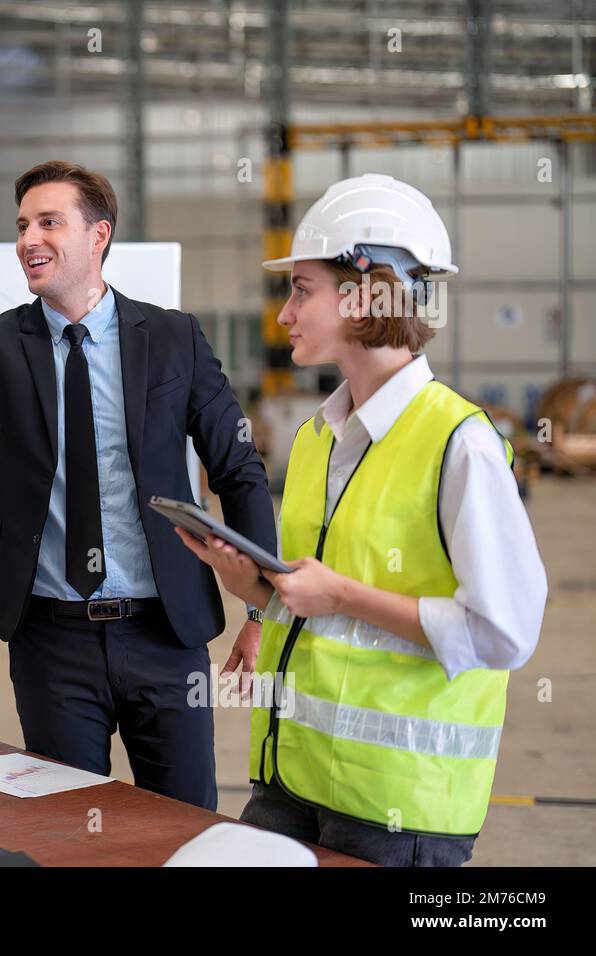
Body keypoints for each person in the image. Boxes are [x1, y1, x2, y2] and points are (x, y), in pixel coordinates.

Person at [0, 161, 276, 809]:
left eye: (48, 222)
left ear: (98, 235)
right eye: (21, 226)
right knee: (67, 830)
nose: (27, 239)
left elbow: (239, 472)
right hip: (51, 643)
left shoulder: (173, 339)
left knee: (185, 829)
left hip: (165, 636)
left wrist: (262, 609)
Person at [178, 173, 546, 865]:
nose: (285, 313)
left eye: (302, 289)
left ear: (366, 290)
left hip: (396, 810)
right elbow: (325, 609)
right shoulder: (320, 436)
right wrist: (256, 591)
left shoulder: (458, 442)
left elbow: (505, 632)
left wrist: (340, 594)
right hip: (293, 780)